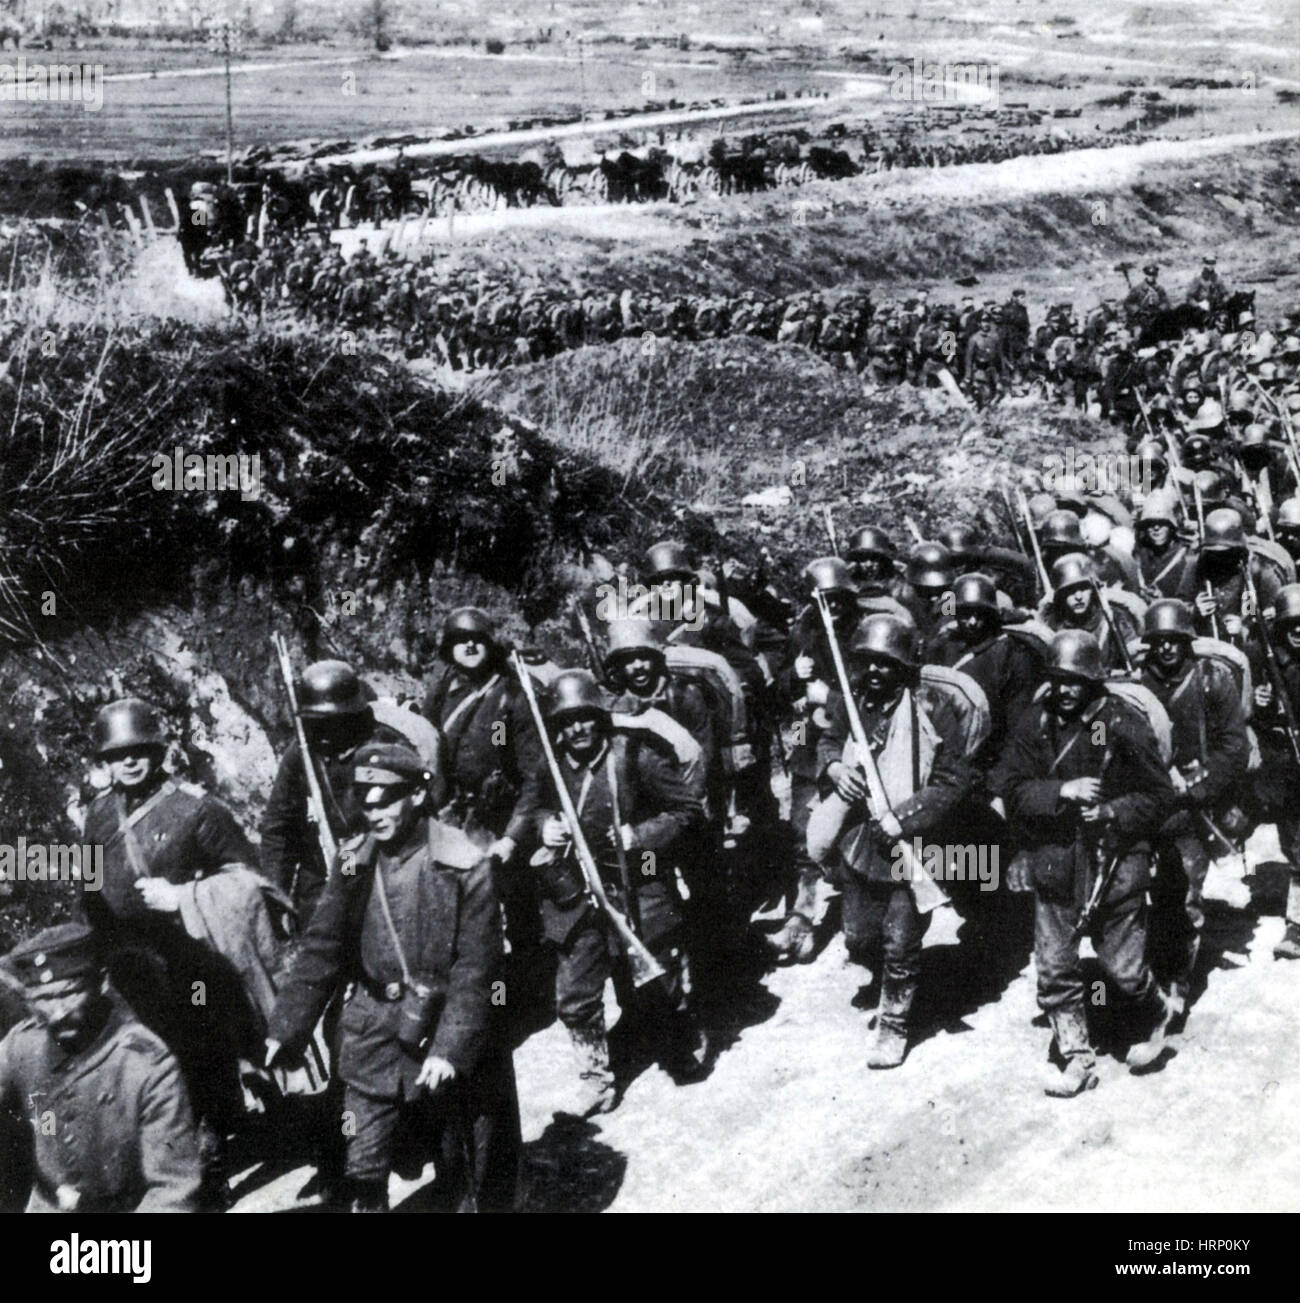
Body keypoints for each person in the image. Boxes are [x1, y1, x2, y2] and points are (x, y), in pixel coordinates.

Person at [267, 744, 520, 1212]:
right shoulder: (353, 861)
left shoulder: (466, 863)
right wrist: (286, 1028)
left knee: (462, 1162)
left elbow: (477, 969)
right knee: (362, 1166)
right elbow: (323, 948)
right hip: (371, 1032)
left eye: (386, 798)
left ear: (418, 797)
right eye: (365, 800)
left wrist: (450, 1048)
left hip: (441, 1036)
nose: (374, 811)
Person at [991, 631, 1176, 1096]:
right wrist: (1061, 792)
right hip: (1055, 863)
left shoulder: (1122, 724)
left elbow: (1160, 796)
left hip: (1114, 863)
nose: (1066, 690)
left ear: (1094, 680)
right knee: (1054, 967)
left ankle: (1156, 1012)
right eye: (1057, 679)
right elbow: (1009, 787)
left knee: (1122, 970)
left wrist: (1112, 811)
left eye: (1076, 681)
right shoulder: (1034, 722)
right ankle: (1076, 1057)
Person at [525, 669, 708, 1118]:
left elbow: (686, 810)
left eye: (585, 718)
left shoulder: (633, 757)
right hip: (576, 893)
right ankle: (596, 1079)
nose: (577, 729)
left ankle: (679, 1040)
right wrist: (544, 826)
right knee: (575, 994)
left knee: (655, 982)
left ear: (599, 716)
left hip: (636, 884)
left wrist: (640, 835)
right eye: (567, 722)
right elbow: (531, 810)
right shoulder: (549, 766)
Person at [0, 923, 201, 1212]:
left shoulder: (146, 1065)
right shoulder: (23, 1047)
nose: (58, 1014)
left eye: (69, 993)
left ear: (101, 982)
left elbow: (173, 1190)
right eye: (43, 999)